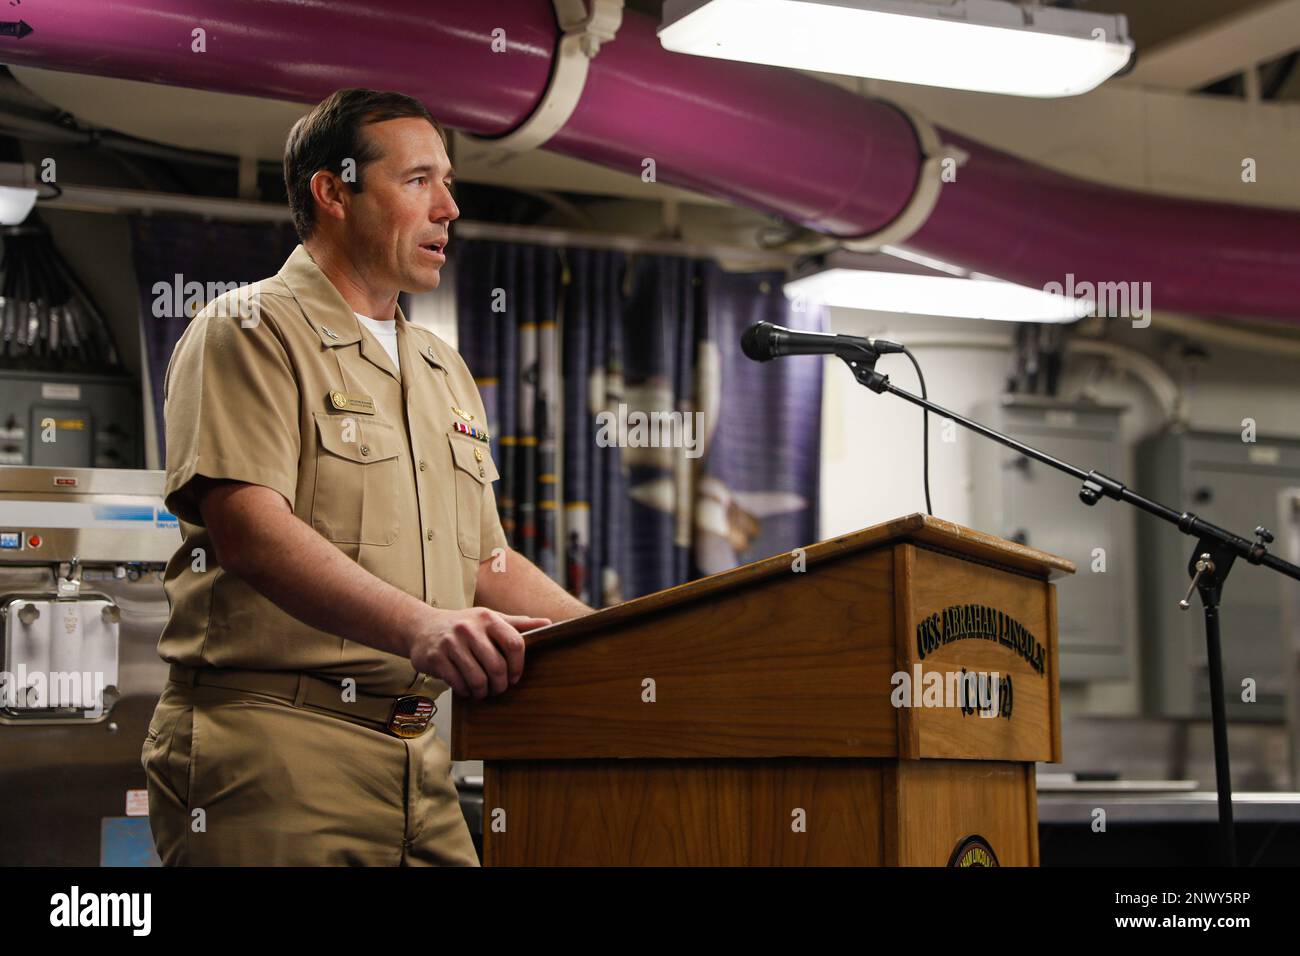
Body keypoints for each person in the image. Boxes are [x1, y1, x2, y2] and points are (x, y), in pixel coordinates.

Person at [141, 88, 593, 866]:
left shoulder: (440, 366)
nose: (448, 206)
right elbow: (251, 530)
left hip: (420, 754)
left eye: (448, 182)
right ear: (334, 191)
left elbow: (485, 563)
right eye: (419, 180)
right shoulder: (248, 330)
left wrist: (619, 642)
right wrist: (424, 626)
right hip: (276, 749)